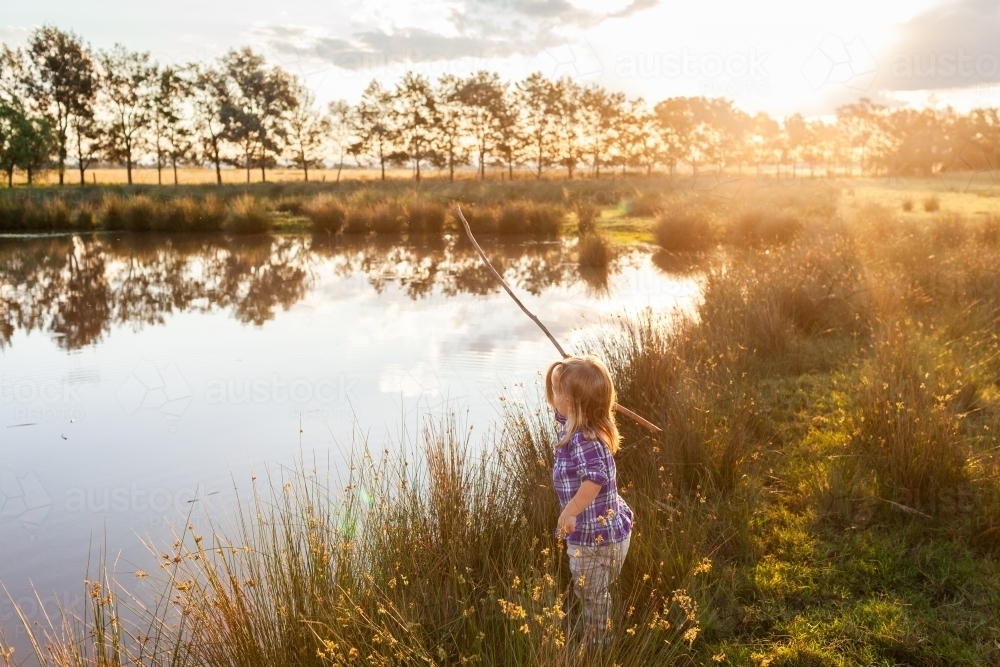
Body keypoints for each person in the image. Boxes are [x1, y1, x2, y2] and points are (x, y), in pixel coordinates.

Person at [545, 355, 633, 645]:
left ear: (574, 403)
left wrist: (570, 512)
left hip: (593, 538)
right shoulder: (584, 425)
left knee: (592, 597)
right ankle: (601, 625)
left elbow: (594, 479)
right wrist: (567, 373)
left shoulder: (583, 438)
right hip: (606, 531)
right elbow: (567, 409)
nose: (554, 397)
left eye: (559, 392)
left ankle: (599, 646)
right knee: (598, 591)